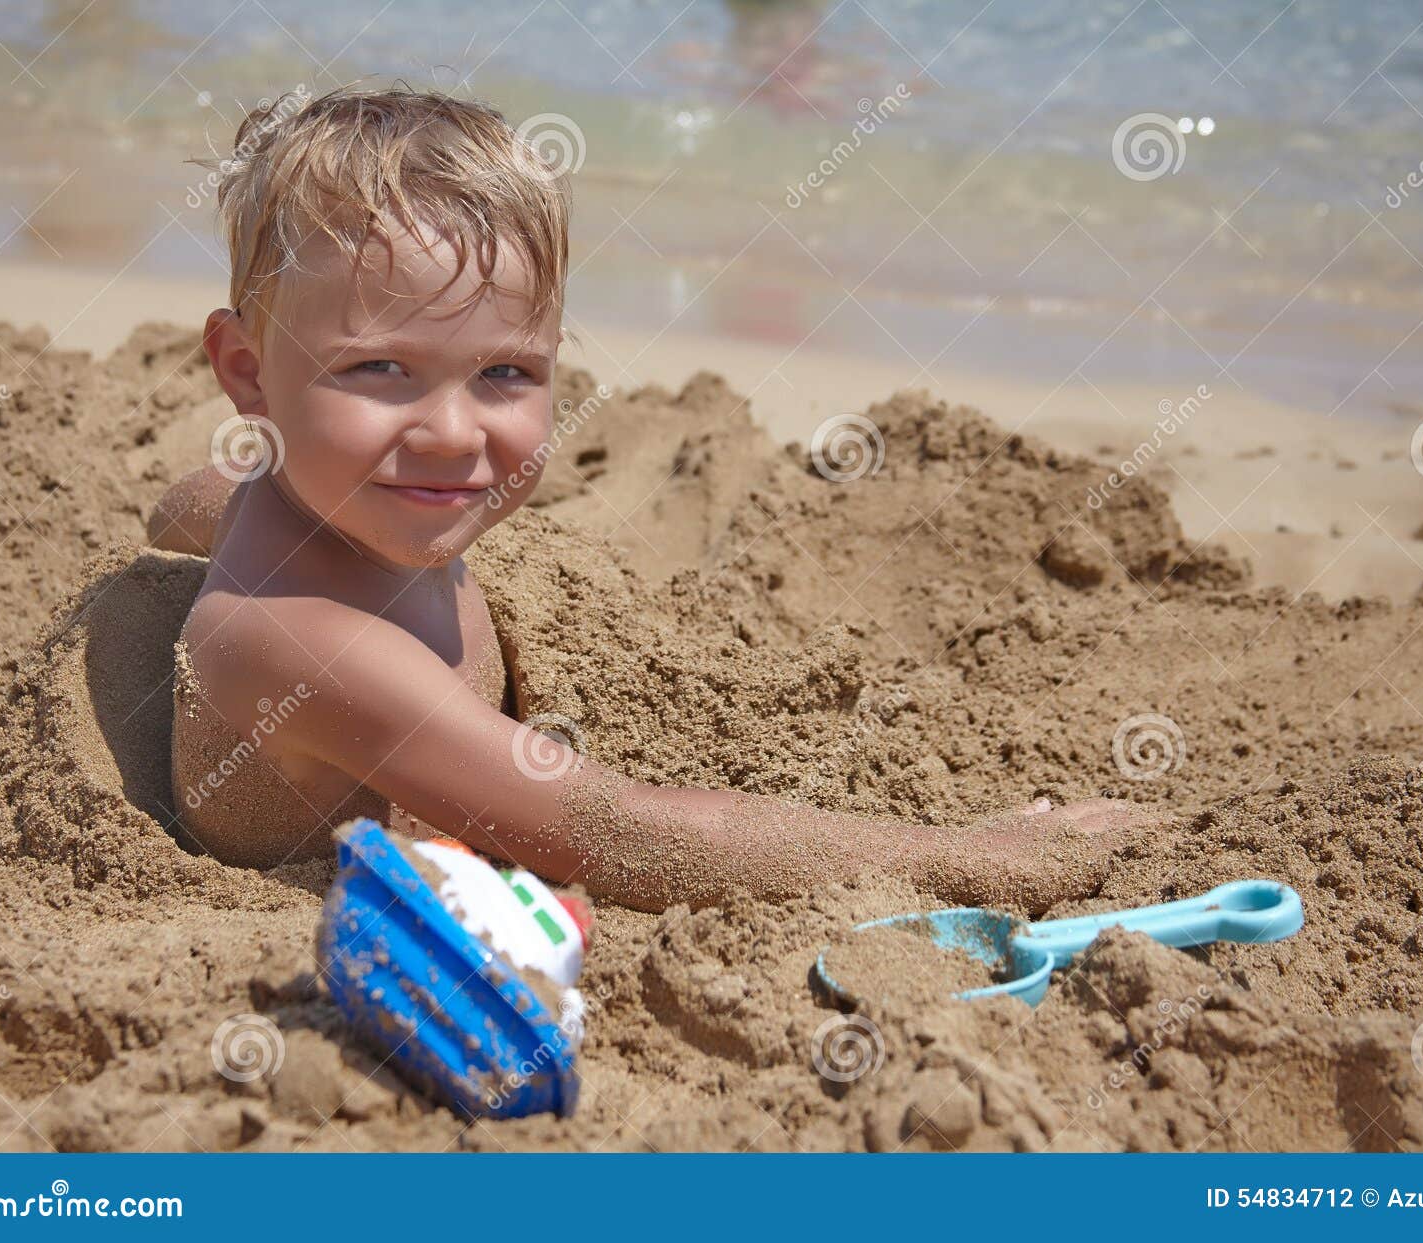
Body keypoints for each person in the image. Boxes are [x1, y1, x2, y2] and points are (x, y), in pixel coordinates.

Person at [153, 84, 1142, 914]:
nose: (452, 433)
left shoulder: (290, 499)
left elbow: (184, 508)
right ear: (246, 372)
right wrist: (980, 859)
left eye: (504, 372)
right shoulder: (295, 643)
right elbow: (614, 831)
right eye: (378, 369)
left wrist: (175, 537)